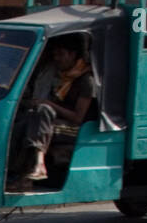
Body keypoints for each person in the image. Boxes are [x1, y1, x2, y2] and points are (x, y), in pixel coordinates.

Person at [8, 36, 97, 189]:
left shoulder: (85, 81)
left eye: (61, 54)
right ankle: (17, 173)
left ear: (73, 55)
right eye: (55, 55)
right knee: (24, 122)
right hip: (52, 122)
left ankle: (37, 165)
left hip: (77, 129)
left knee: (41, 115)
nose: (57, 59)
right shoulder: (59, 77)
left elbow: (77, 118)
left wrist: (49, 104)